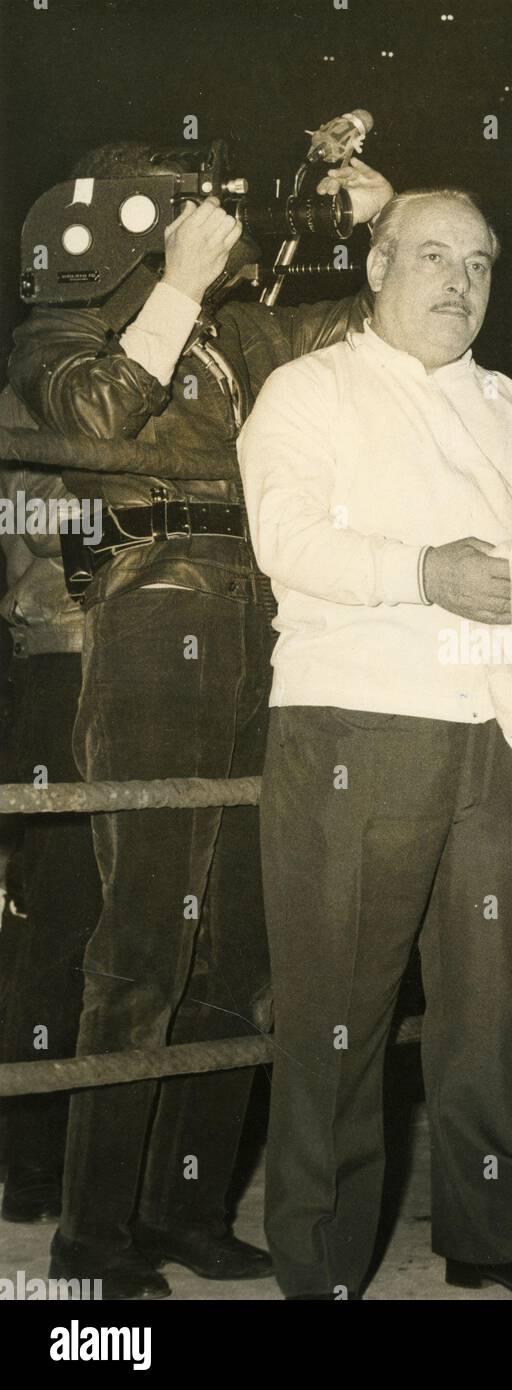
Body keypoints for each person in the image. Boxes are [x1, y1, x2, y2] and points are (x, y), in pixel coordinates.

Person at [5, 140, 393, 1298]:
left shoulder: (232, 345)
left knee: (243, 937)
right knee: (139, 935)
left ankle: (184, 1205)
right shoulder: (56, 342)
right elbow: (101, 419)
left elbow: (365, 327)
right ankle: (94, 1235)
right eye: (185, 216)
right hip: (150, 614)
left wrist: (378, 227)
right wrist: (176, 288)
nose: (214, 228)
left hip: (262, 617)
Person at [237, 188, 512, 1300]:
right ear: (374, 268)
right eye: (429, 255)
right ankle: (317, 1264)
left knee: (491, 1006)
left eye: (478, 261)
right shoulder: (307, 389)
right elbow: (288, 537)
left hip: (506, 732)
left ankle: (493, 1237)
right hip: (355, 728)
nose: (456, 281)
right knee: (335, 1010)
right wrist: (429, 572)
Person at [0, 435, 101, 1225]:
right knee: (62, 912)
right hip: (68, 662)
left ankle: (116, 1158)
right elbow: (40, 520)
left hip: (168, 664)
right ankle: (33, 1158)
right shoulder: (43, 372)